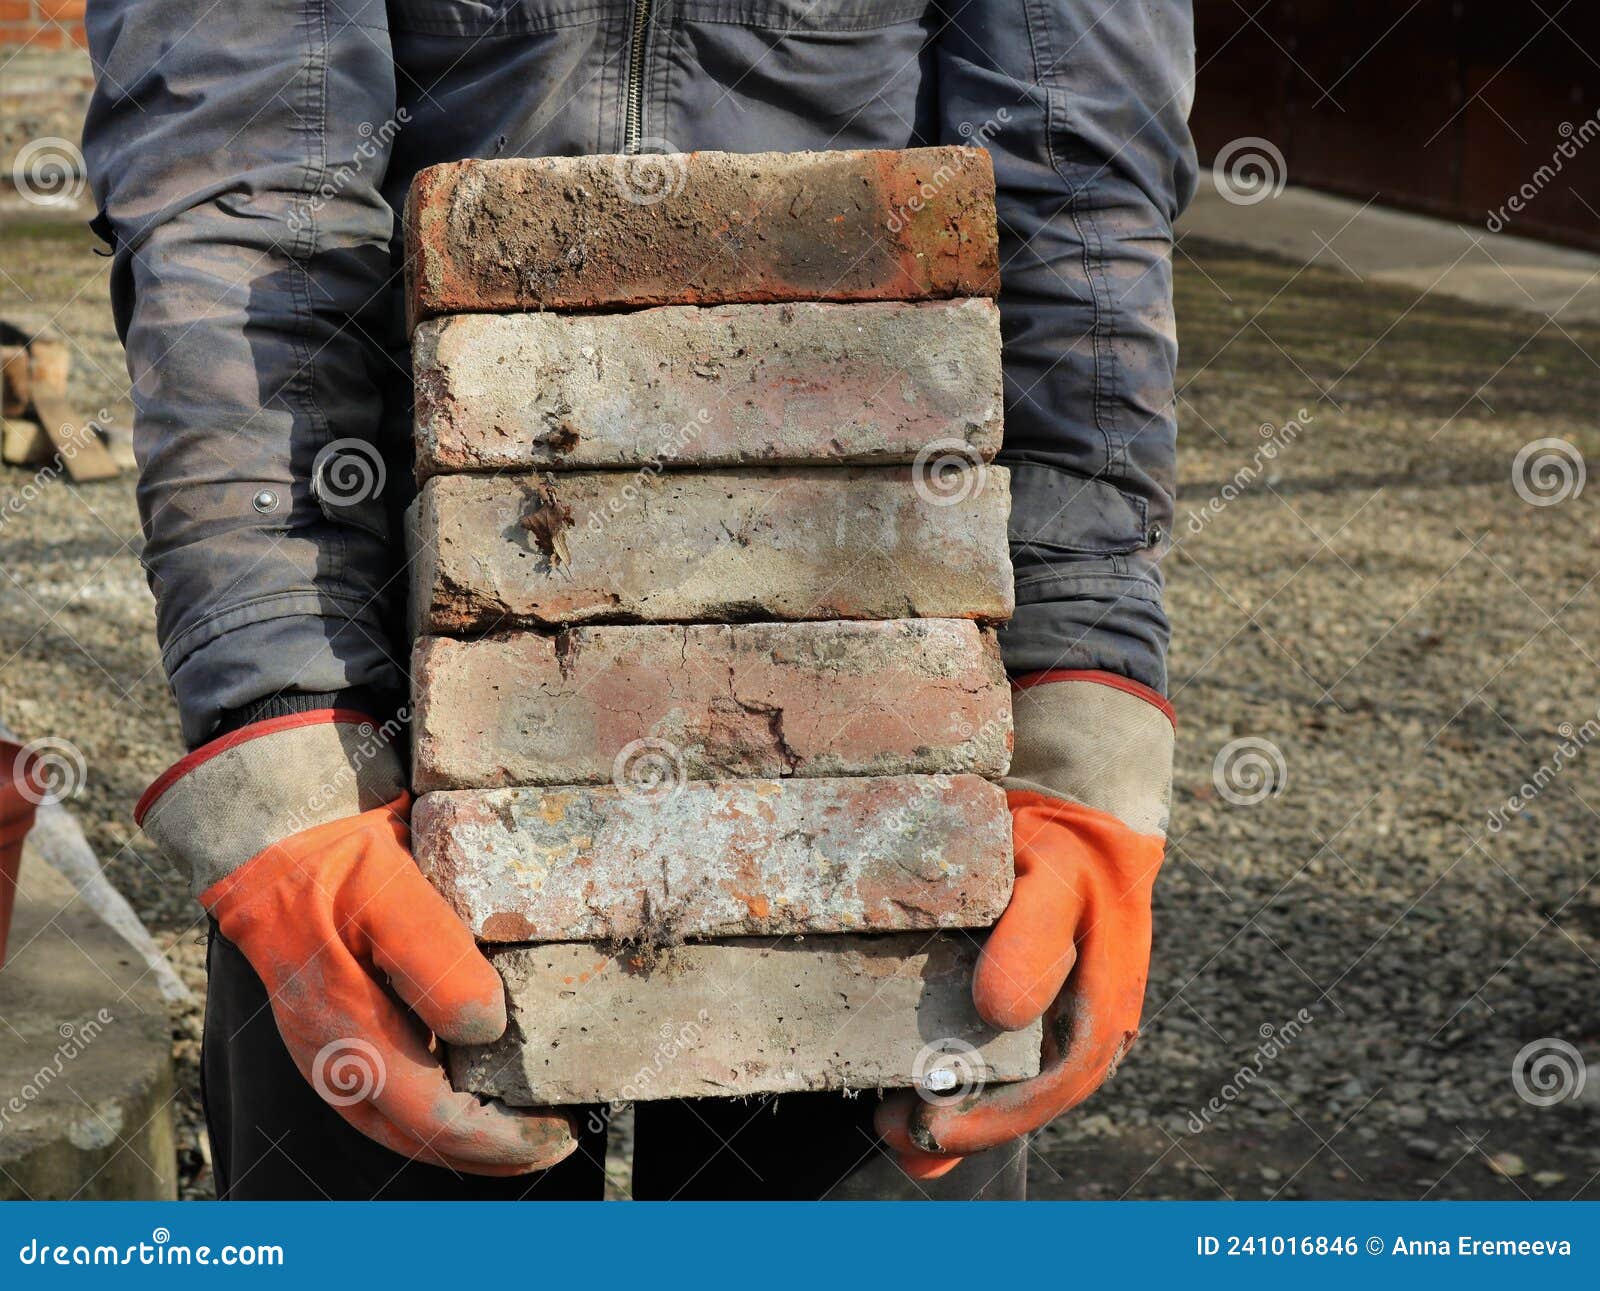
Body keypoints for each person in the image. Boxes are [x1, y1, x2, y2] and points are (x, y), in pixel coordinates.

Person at [83, 0, 1196, 1200]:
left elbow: (1073, 195)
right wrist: (284, 737)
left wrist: (1084, 710)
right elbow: (242, 209)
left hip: (885, 720)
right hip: (381, 708)